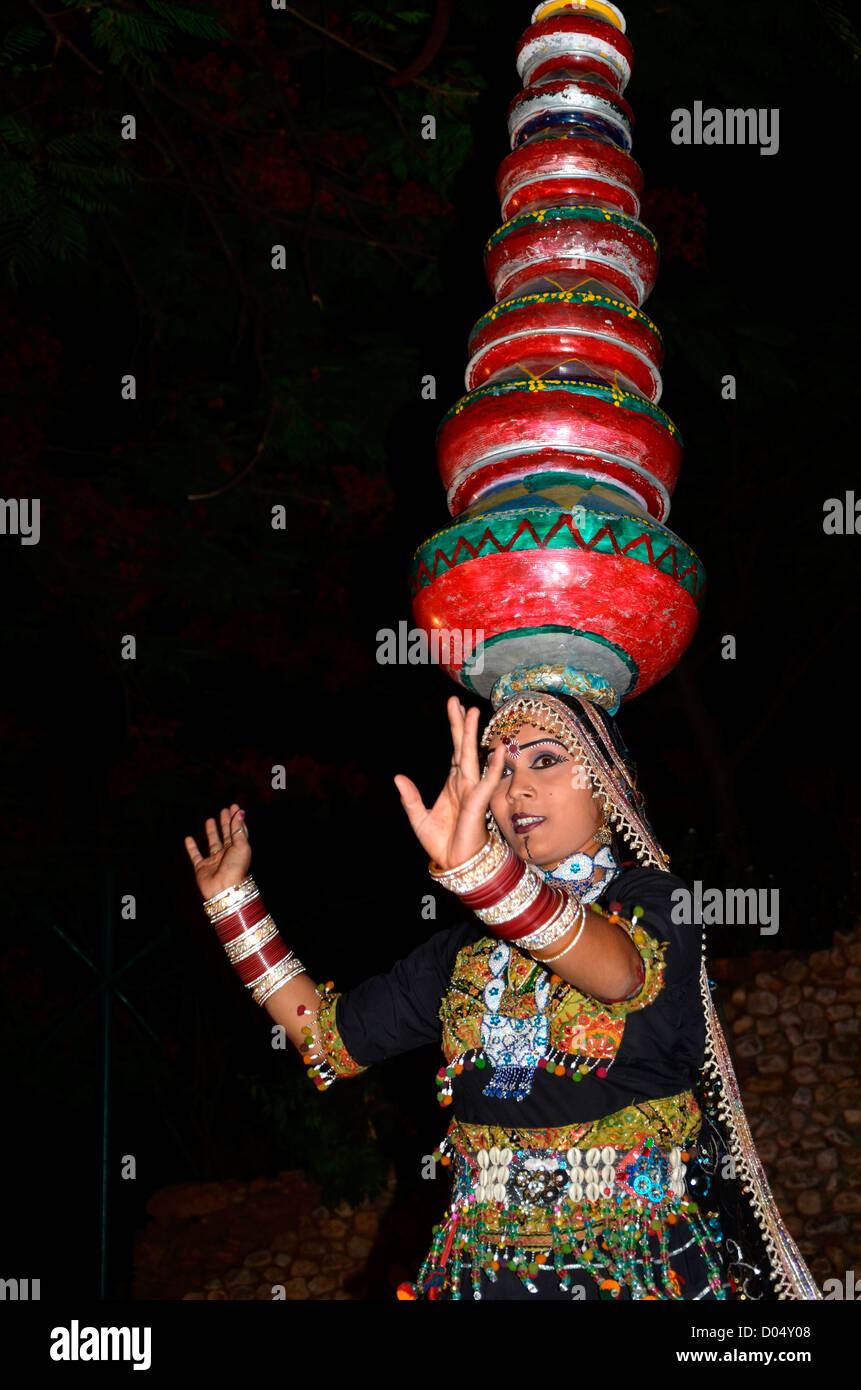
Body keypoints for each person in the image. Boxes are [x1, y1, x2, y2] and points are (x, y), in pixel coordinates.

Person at [184, 665, 819, 1301]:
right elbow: (326, 1038)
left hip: (632, 1269)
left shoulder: (655, 901)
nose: (516, 791)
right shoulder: (462, 955)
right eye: (500, 771)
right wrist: (233, 905)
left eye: (545, 760)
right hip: (482, 1273)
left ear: (609, 783)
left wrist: (481, 875)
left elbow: (620, 974)